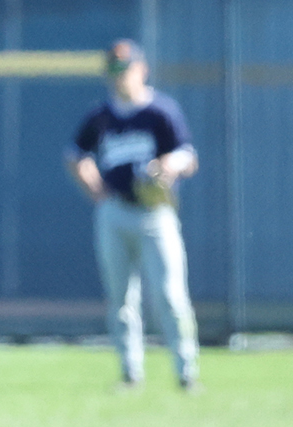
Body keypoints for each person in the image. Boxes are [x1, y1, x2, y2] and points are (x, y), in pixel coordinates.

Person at [67, 39, 201, 391]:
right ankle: (131, 374)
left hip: (155, 214)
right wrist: (94, 186)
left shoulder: (160, 111)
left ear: (142, 70)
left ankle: (186, 372)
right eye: (113, 71)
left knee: (171, 296)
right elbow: (75, 154)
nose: (119, 77)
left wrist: (168, 165)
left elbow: (188, 156)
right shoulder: (101, 115)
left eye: (125, 70)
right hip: (115, 212)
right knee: (121, 299)